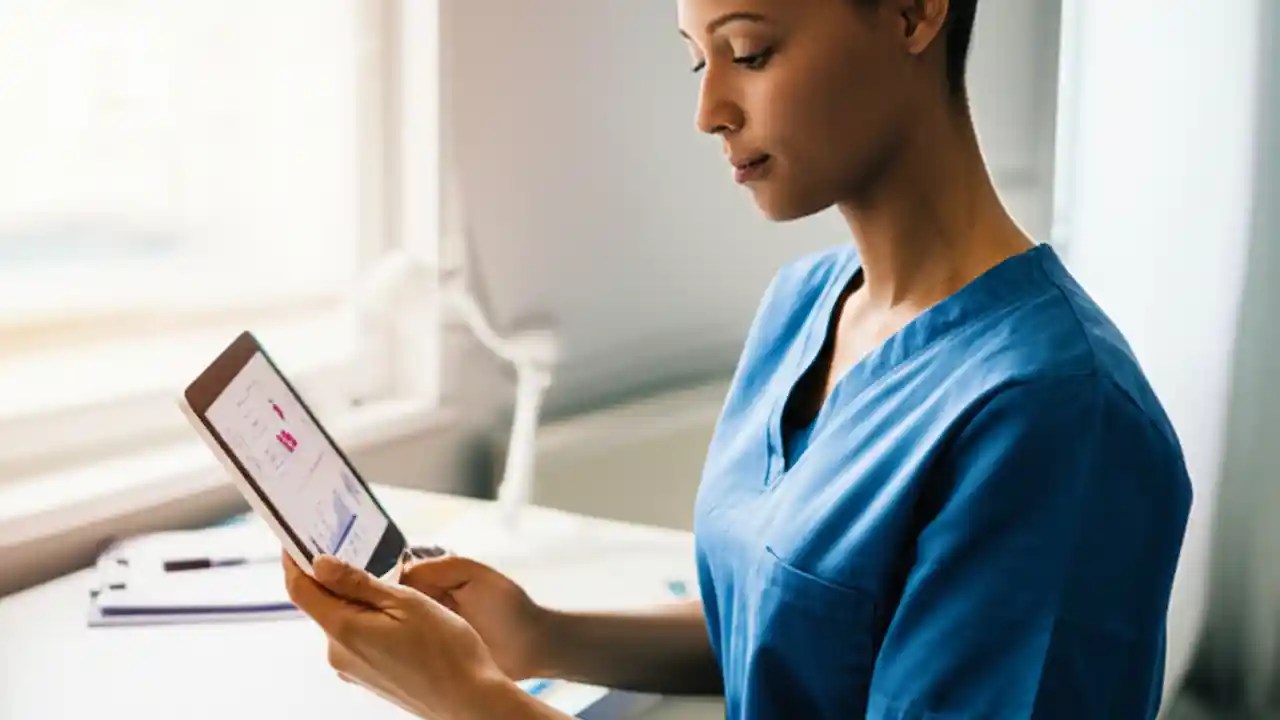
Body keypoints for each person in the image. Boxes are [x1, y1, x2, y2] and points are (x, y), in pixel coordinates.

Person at [283, 0, 1193, 717]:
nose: (710, 110)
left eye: (749, 51)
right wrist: (538, 634)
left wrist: (474, 704)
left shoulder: (1058, 416)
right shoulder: (804, 307)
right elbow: (799, 636)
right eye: (696, 57)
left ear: (915, 11)